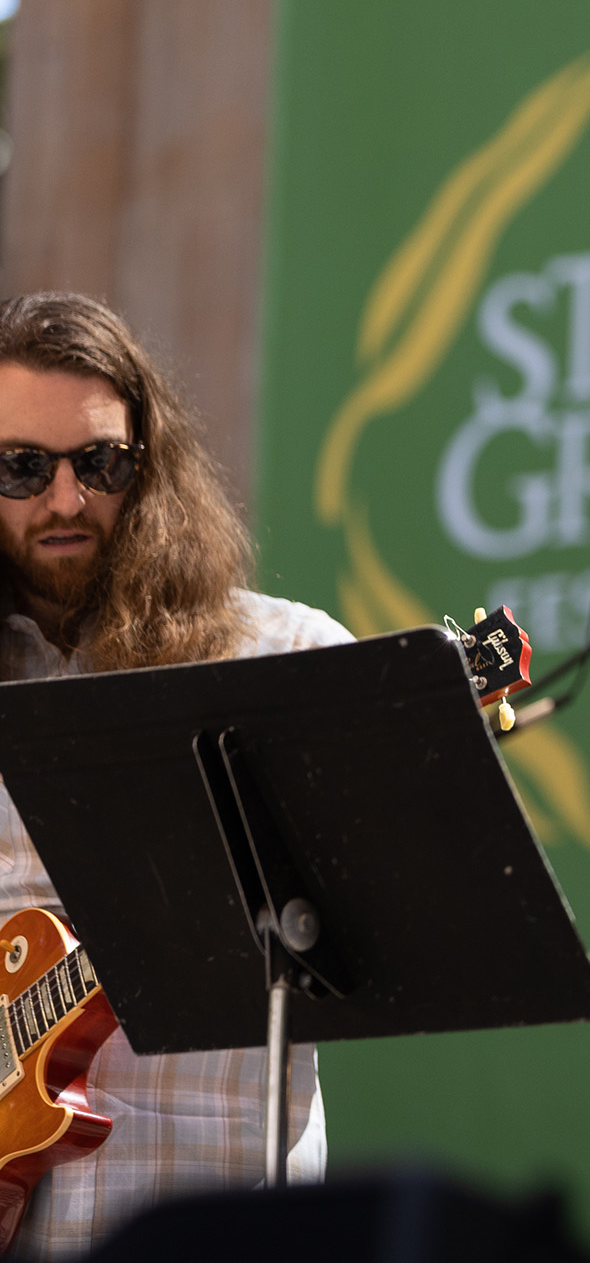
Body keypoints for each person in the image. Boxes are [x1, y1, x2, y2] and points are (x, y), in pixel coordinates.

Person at [0, 292, 337, 1257]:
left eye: (99, 464)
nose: (64, 499)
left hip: (229, 1223)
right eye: (22, 467)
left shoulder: (283, 656)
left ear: (149, 468)